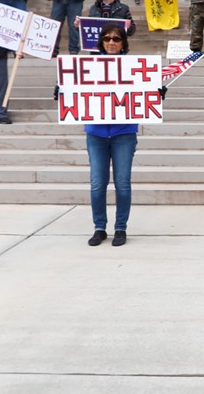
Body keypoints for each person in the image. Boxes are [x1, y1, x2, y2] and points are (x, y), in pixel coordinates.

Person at [84, 22, 138, 247]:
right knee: (98, 183)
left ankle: (120, 228)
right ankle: (99, 227)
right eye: (107, 39)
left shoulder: (134, 66)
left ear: (123, 43)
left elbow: (143, 93)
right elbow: (78, 90)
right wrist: (63, 90)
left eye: (116, 39)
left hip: (124, 132)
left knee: (122, 183)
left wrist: (156, 92)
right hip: (96, 132)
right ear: (101, 43)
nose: (112, 43)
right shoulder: (88, 66)